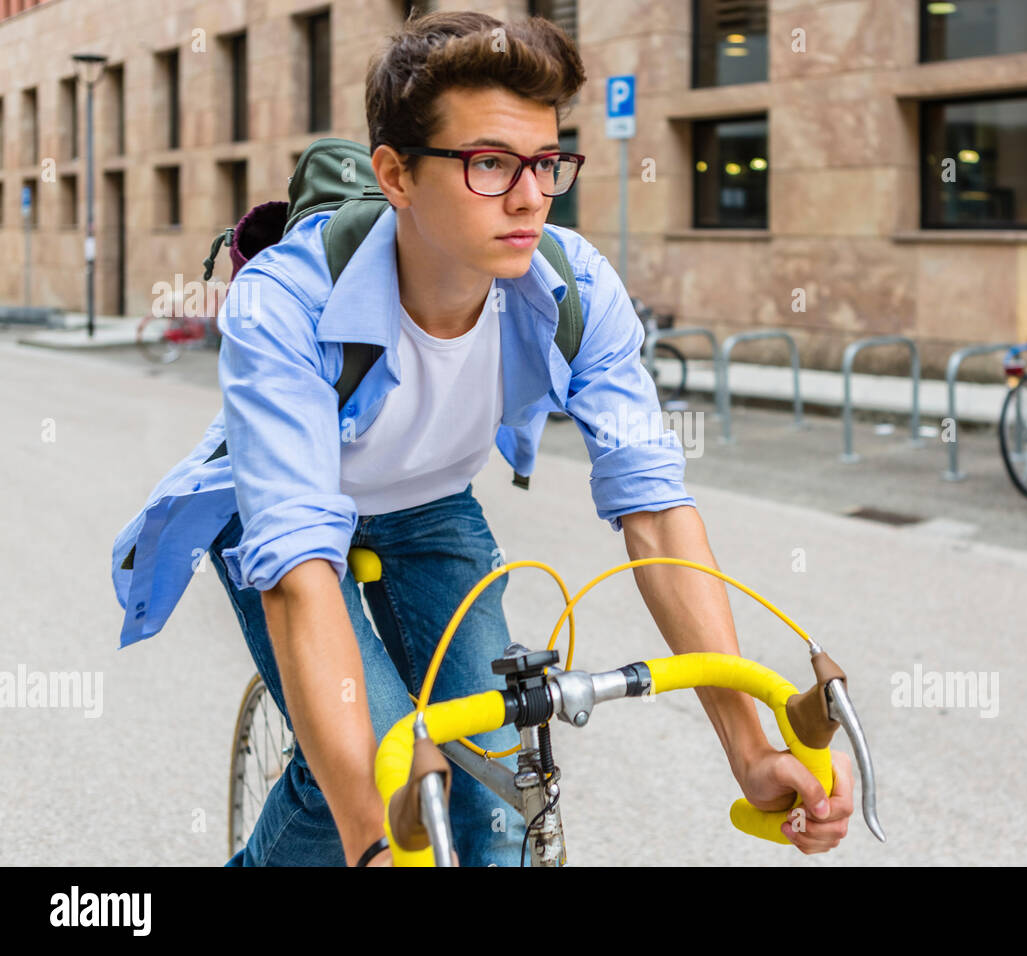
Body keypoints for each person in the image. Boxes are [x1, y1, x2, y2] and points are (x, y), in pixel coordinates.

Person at [111, 10, 855, 867]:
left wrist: (751, 750)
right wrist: (373, 843)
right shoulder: (285, 301)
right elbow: (299, 570)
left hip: (430, 508)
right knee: (381, 785)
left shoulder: (574, 287)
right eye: (490, 164)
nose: (533, 194)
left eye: (546, 162)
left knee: (497, 781)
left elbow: (655, 510)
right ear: (395, 174)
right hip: (283, 521)